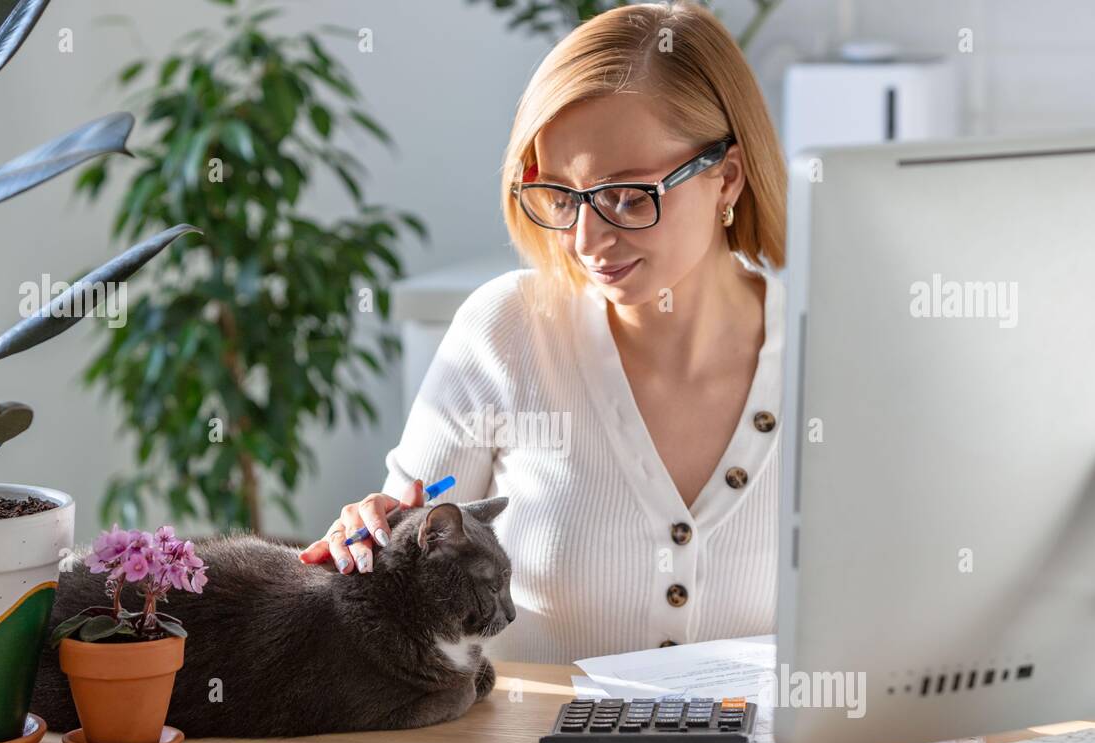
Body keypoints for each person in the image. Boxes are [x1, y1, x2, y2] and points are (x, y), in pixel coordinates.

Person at [300, 1, 786, 664]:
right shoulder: (508, 332)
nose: (587, 240)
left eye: (626, 195)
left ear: (726, 177)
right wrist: (371, 539)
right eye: (560, 195)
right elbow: (409, 554)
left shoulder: (837, 356)